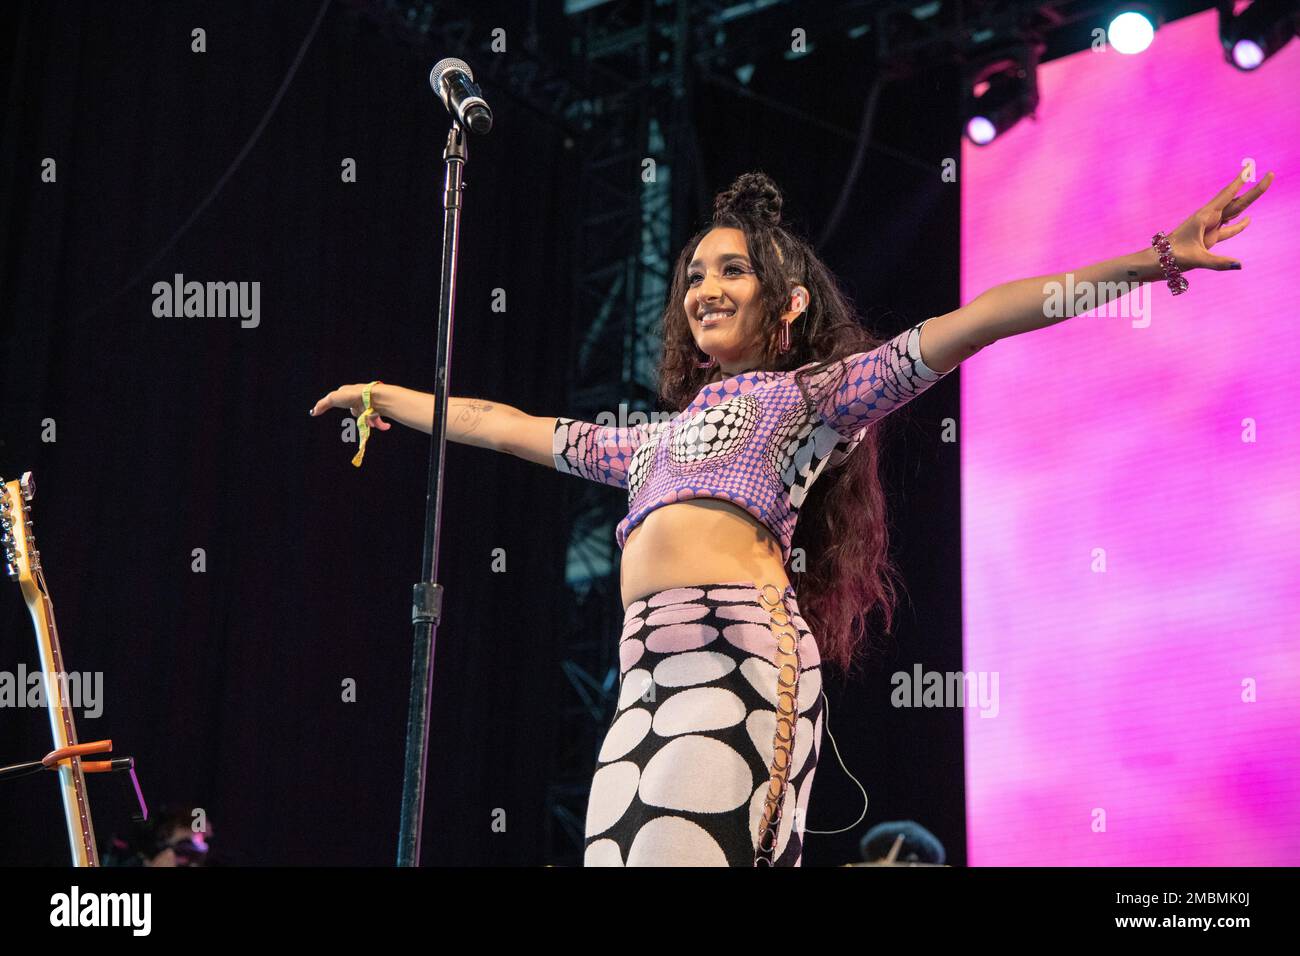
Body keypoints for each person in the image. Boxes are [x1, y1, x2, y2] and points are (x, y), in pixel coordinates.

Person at [312, 168, 1271, 866]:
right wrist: (383, 395)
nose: (702, 291)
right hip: (641, 688)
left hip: (739, 670)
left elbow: (982, 317)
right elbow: (506, 424)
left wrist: (1150, 262)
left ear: (789, 301)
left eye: (728, 272)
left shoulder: (814, 398)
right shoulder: (646, 441)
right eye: (692, 278)